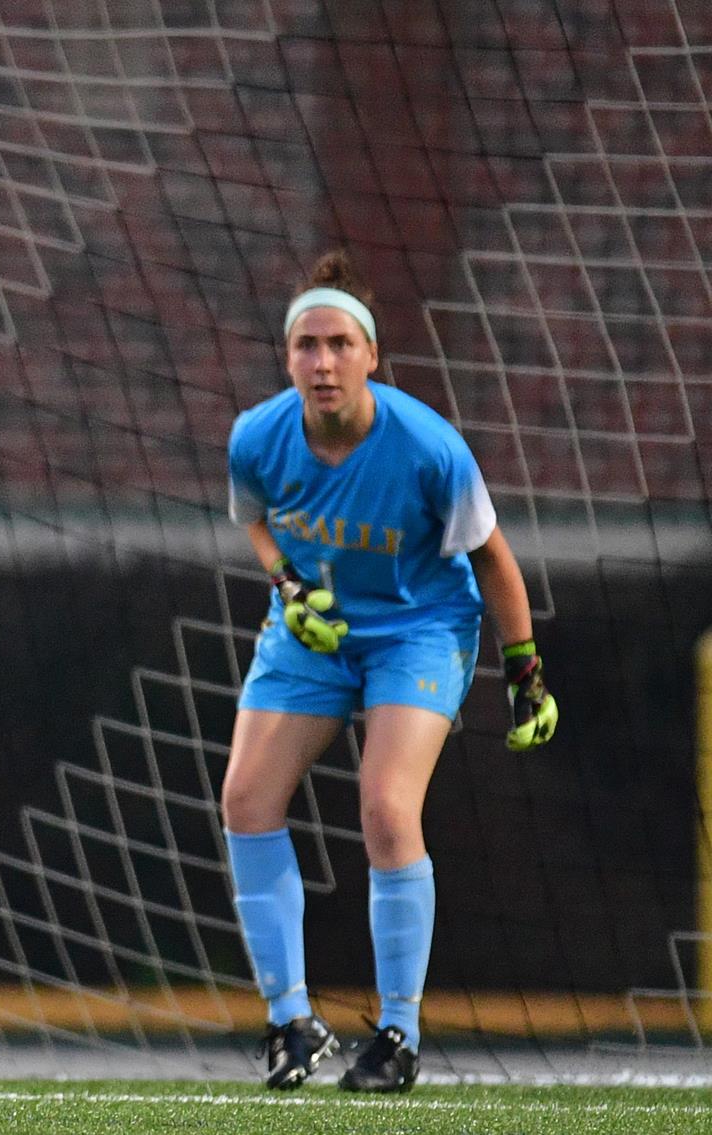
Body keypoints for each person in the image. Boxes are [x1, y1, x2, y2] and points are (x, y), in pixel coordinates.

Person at [222, 252, 560, 1093]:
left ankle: (399, 1036)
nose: (323, 362)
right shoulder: (257, 437)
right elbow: (257, 520)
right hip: (315, 628)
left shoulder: (427, 448)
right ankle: (290, 1022)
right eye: (307, 345)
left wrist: (525, 673)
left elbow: (495, 562)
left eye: (340, 343)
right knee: (245, 801)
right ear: (287, 356)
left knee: (384, 805)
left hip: (419, 628)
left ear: (371, 355)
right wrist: (286, 583)